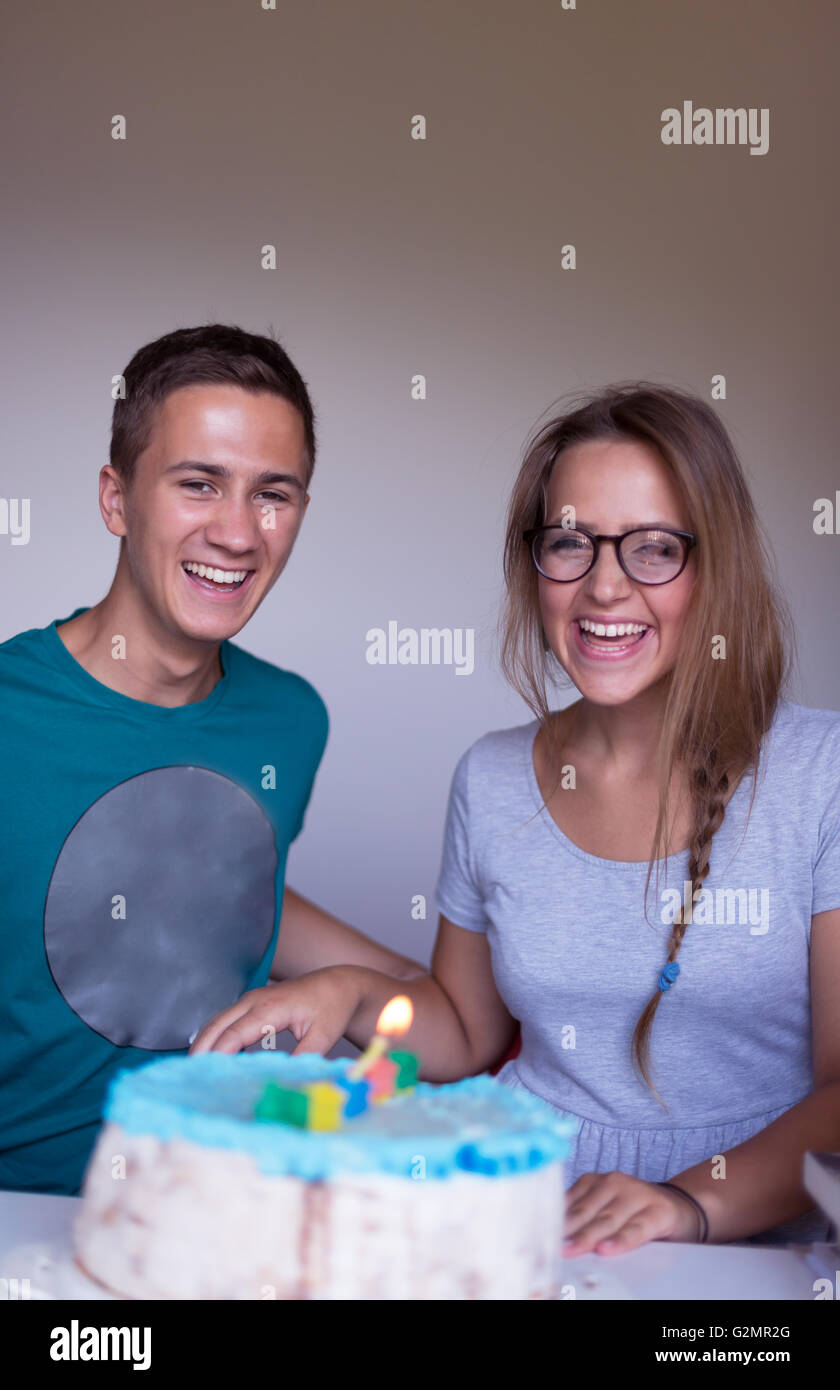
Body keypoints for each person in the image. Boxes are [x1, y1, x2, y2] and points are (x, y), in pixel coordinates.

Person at [192, 382, 840, 1252]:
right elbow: (464, 1034)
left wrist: (689, 1205)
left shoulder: (821, 773)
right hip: (526, 1224)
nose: (604, 586)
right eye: (569, 543)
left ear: (716, 566)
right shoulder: (491, 778)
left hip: (756, 1250)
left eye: (653, 549)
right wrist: (345, 990)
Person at [0, 323, 424, 1197]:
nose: (237, 532)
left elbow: (210, 902)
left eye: (273, 494)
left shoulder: (288, 721)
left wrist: (348, 989)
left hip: (221, 1215)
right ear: (117, 499)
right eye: (199, 485)